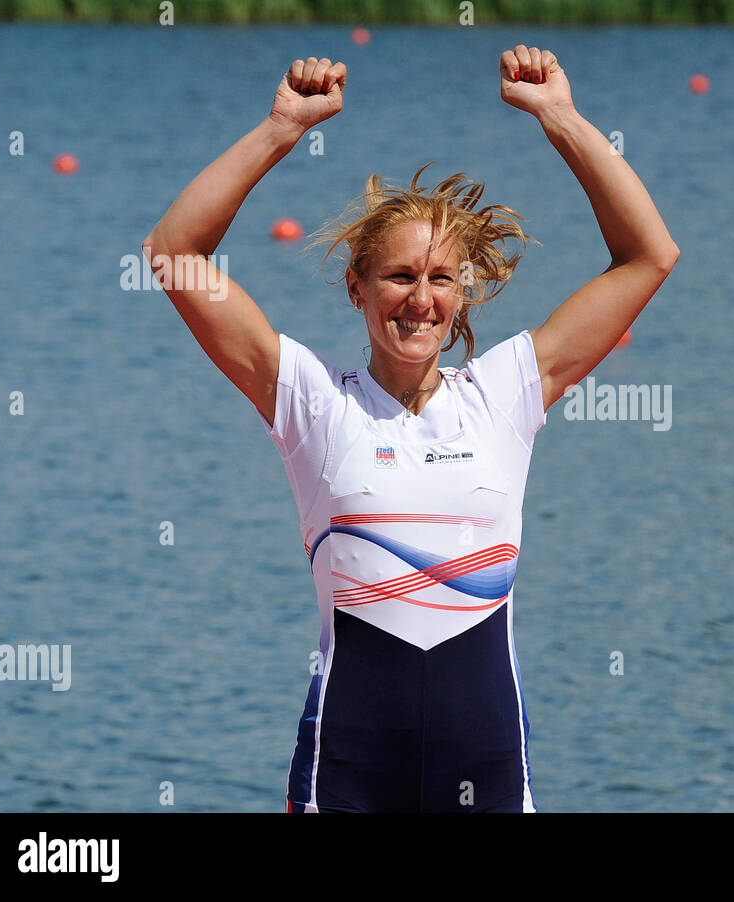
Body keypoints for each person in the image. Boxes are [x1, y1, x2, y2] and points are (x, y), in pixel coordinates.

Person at [142, 49, 679, 812]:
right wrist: (281, 128)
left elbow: (649, 257)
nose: (420, 301)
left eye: (440, 279)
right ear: (357, 286)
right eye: (398, 276)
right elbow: (173, 254)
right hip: (348, 773)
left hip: (488, 773)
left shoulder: (505, 393)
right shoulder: (311, 402)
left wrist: (560, 117)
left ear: (463, 294)